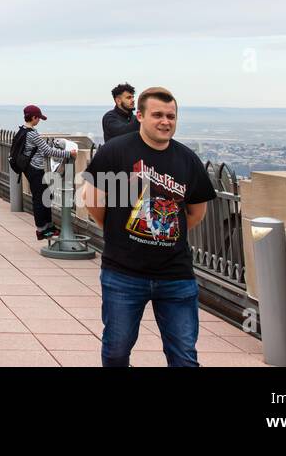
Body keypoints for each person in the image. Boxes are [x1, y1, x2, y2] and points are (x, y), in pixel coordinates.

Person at [81, 86, 215, 367]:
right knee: (116, 350)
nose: (165, 121)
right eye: (158, 115)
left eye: (171, 116)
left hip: (176, 274)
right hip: (123, 272)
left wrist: (163, 235)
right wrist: (120, 233)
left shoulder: (188, 160)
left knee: (184, 356)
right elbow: (93, 201)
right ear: (139, 115)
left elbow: (196, 212)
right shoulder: (115, 152)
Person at [15, 105, 77, 241]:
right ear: (33, 117)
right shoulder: (32, 134)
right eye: (39, 118)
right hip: (34, 169)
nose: (39, 121)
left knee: (46, 195)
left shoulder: (23, 131)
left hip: (31, 169)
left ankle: (48, 226)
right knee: (39, 199)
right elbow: (48, 151)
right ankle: (41, 230)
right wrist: (69, 153)